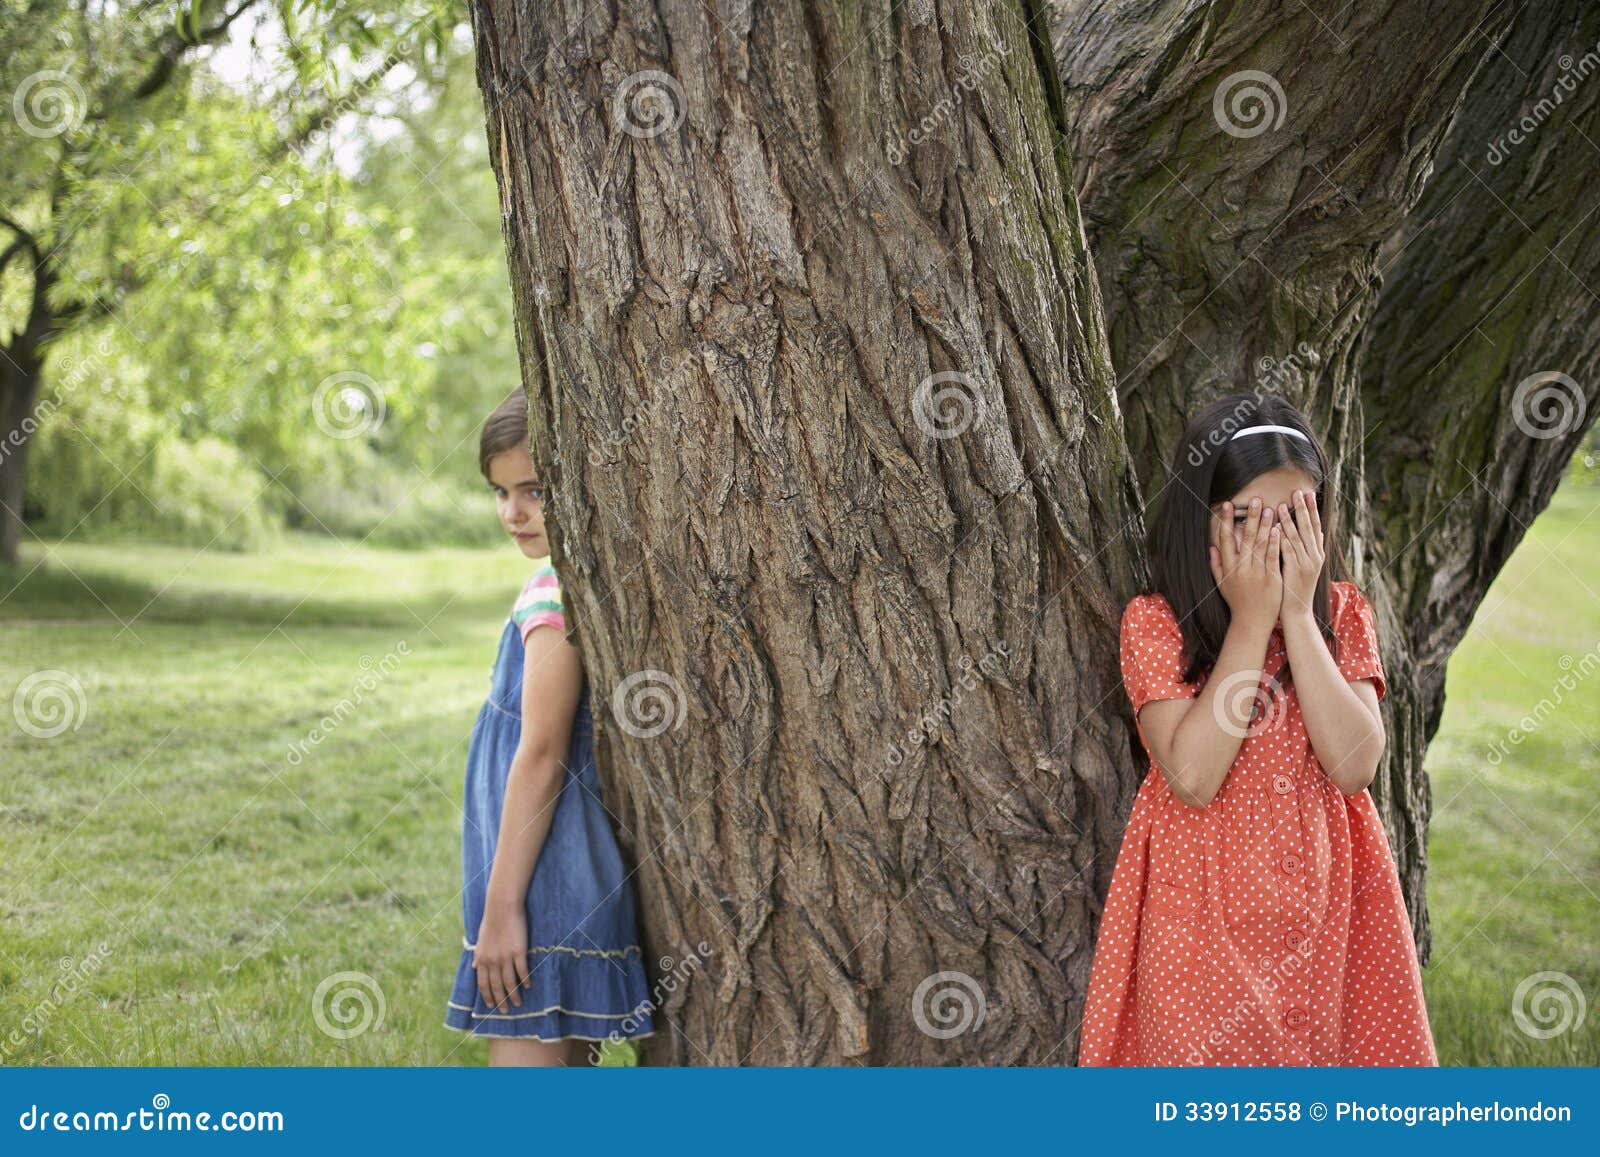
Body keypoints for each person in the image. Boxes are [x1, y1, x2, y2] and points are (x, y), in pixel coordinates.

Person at [1077, 392, 1438, 1066]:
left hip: (1325, 912)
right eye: (1247, 519)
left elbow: (1355, 763)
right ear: (1201, 522)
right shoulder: (1156, 624)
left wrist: (1298, 618)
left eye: (1295, 519)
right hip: (1201, 917)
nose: (1274, 541)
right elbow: (1192, 774)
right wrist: (1250, 622)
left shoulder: (1342, 615)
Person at [444, 391, 654, 1066]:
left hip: (540, 884)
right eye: (501, 491)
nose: (514, 512)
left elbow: (541, 750)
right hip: (554, 872)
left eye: (534, 489)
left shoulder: (553, 593)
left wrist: (500, 909)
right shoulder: (569, 581)